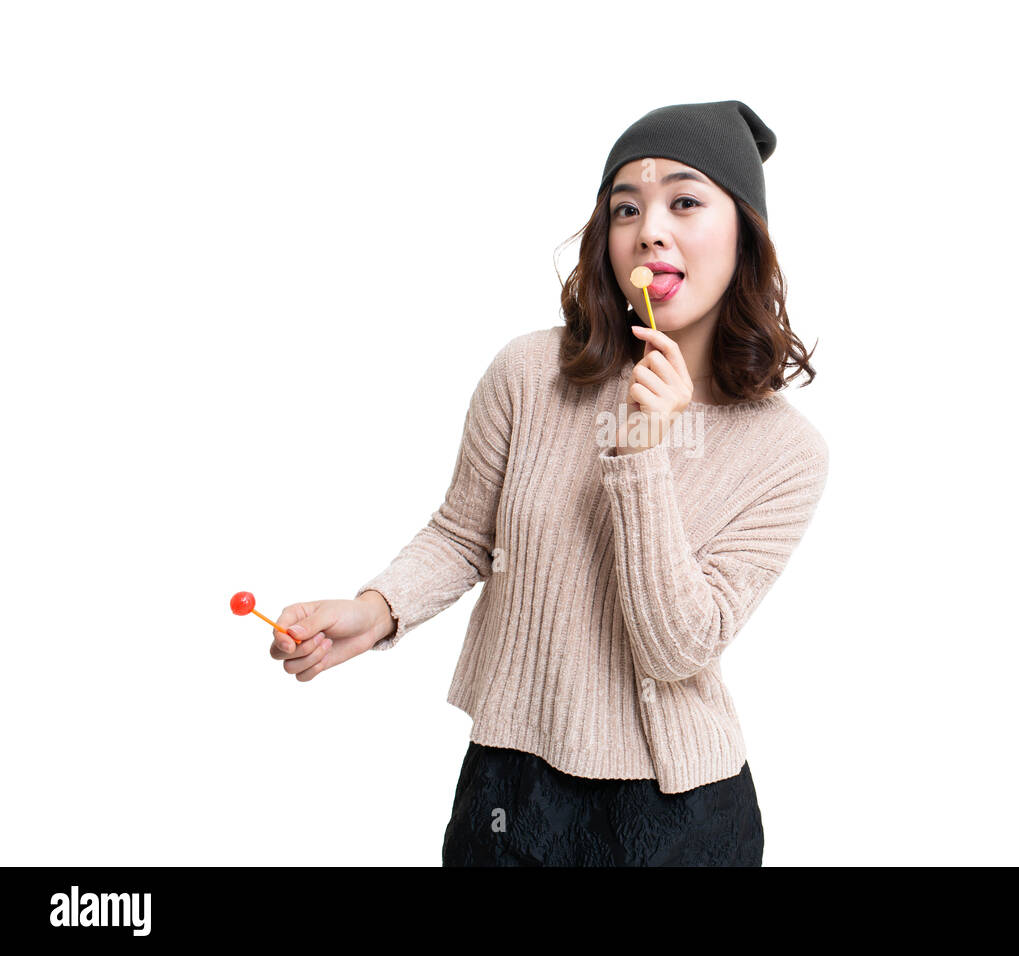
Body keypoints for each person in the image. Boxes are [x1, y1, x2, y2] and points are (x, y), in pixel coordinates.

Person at [267, 100, 828, 866]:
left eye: (685, 201)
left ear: (745, 235)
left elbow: (679, 647)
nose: (650, 228)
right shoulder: (530, 374)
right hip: (512, 784)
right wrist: (376, 610)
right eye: (625, 207)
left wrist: (643, 457)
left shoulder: (785, 451)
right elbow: (465, 535)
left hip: (681, 808)